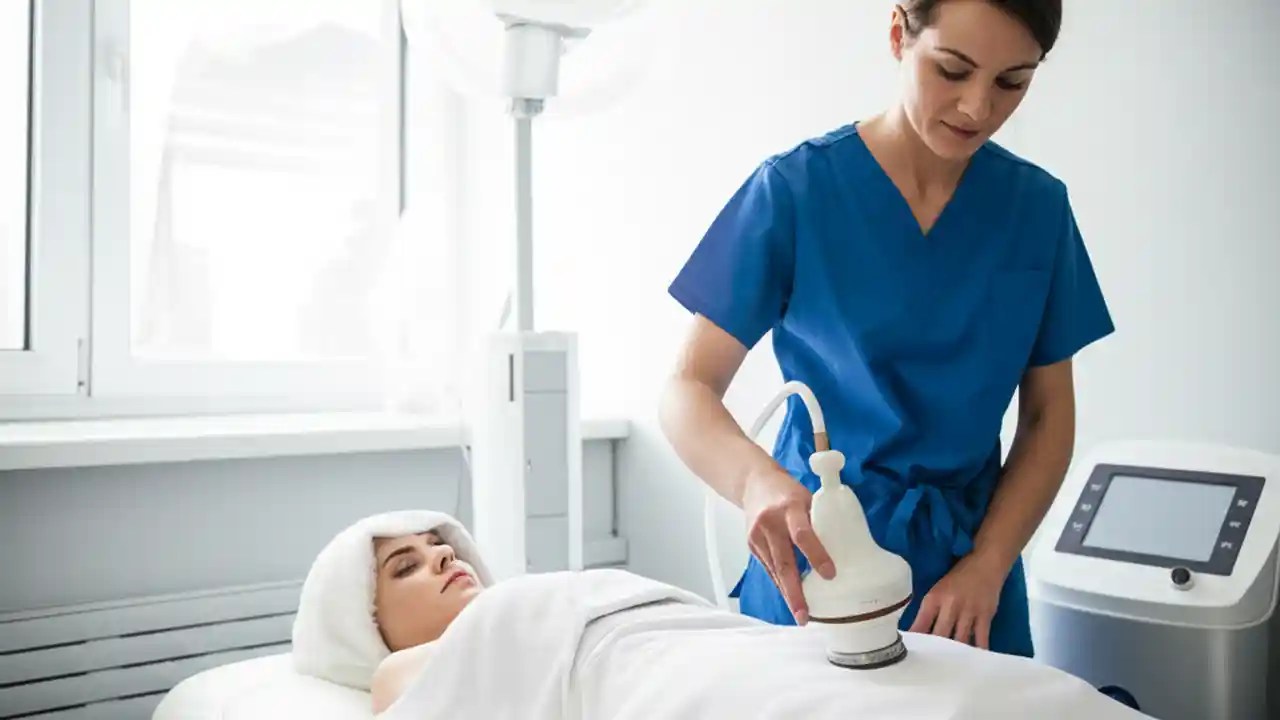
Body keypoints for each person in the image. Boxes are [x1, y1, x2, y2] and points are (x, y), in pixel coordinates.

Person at [660, 0, 1113, 658]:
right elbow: (687, 386)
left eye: (1012, 82)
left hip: (969, 577)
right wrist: (754, 481)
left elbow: (1047, 420)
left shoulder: (1037, 212)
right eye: (953, 70)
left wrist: (988, 565)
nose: (977, 108)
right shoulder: (796, 192)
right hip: (821, 562)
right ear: (900, 33)